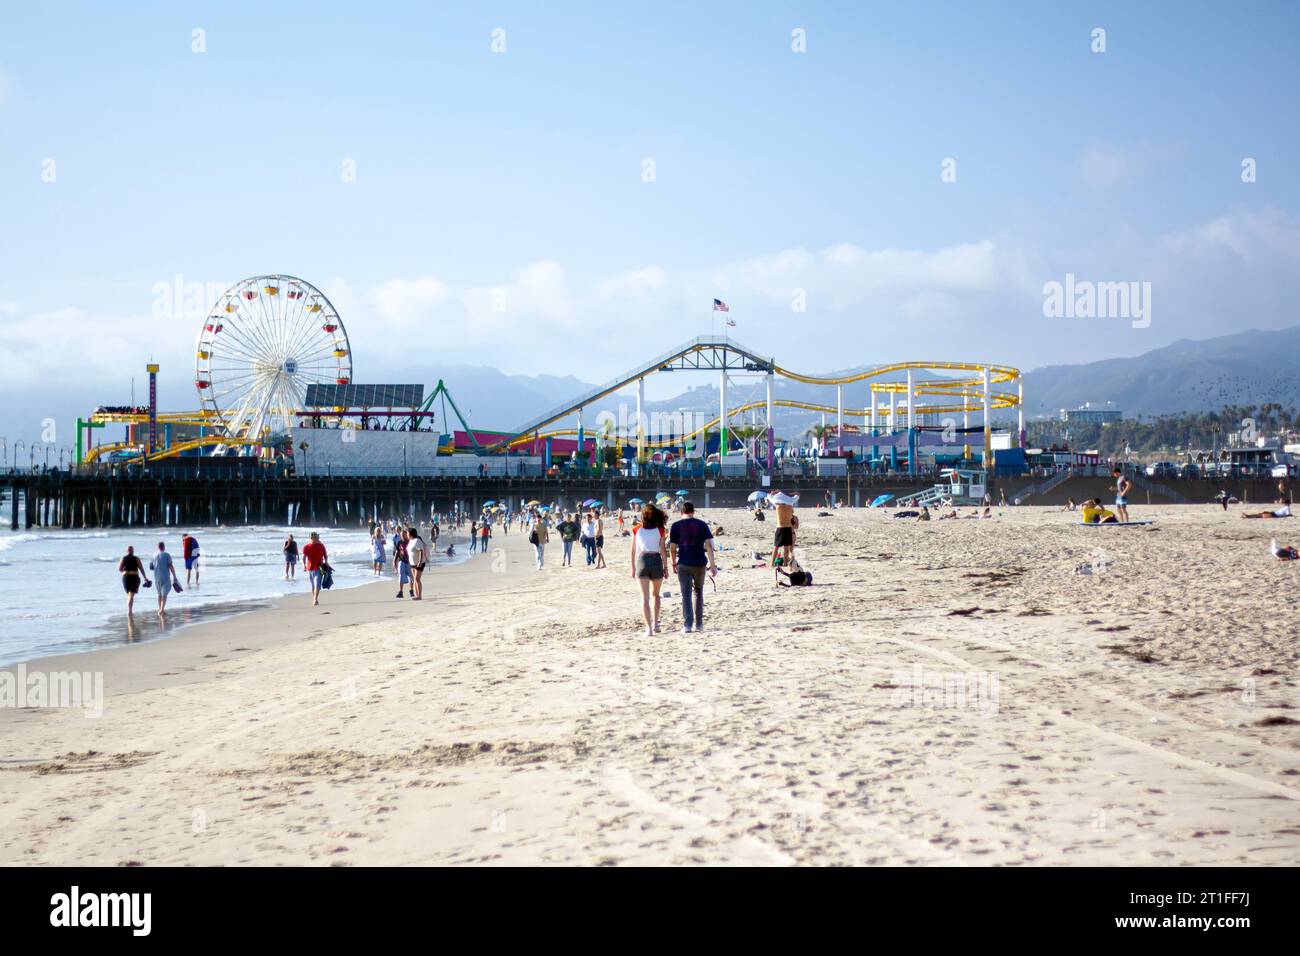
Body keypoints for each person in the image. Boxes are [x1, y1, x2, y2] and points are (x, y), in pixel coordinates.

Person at [669, 501, 716, 635]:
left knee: (686, 594)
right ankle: (699, 625)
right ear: (693, 512)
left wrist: (673, 563)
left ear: (681, 512)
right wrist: (713, 565)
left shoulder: (676, 526)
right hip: (700, 563)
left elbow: (672, 548)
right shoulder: (702, 524)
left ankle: (688, 625)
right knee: (698, 593)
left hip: (684, 563)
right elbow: (709, 545)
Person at [632, 503, 669, 636]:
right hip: (656, 560)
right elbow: (663, 550)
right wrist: (666, 567)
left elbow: (633, 551)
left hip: (642, 560)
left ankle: (648, 629)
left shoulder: (636, 529)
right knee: (656, 595)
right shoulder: (660, 530)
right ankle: (655, 624)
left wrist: (632, 567)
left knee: (644, 597)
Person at [150, 541, 180, 615]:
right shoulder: (167, 555)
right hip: (165, 577)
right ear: (163, 547)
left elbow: (151, 567)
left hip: (157, 577)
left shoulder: (153, 555)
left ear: (158, 547)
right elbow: (170, 566)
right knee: (164, 594)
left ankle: (160, 608)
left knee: (159, 593)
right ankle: (162, 610)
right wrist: (174, 576)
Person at [118, 545, 149, 614]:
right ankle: (129, 611)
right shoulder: (136, 558)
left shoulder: (123, 558)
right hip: (134, 576)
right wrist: (145, 577)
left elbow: (120, 569)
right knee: (131, 594)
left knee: (129, 594)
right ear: (133, 551)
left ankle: (129, 610)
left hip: (126, 577)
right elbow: (141, 568)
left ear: (127, 551)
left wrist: (125, 571)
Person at [302, 531, 327, 606]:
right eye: (314, 538)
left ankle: (315, 599)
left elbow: (325, 554)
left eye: (317, 537)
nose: (316, 539)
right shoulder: (306, 547)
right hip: (310, 568)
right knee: (313, 585)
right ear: (311, 538)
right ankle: (315, 598)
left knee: (317, 584)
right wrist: (304, 565)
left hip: (319, 568)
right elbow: (303, 558)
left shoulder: (321, 546)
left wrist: (326, 562)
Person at [773, 495, 797, 568]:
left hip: (790, 532)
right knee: (787, 549)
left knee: (789, 549)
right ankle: (787, 562)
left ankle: (788, 562)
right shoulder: (787, 515)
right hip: (789, 531)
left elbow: (796, 526)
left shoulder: (794, 517)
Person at [407, 527, 427, 599]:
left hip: (419, 562)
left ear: (410, 534)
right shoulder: (411, 541)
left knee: (417, 579)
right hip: (412, 563)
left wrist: (420, 561)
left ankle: (419, 596)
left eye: (407, 533)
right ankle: (417, 595)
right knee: (414, 579)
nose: (407, 534)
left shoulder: (417, 541)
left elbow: (421, 551)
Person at [393, 529, 411, 598]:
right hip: (401, 561)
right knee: (400, 576)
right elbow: (397, 553)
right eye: (402, 535)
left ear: (407, 535)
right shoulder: (399, 542)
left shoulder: (410, 542)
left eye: (404, 535)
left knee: (411, 577)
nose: (403, 536)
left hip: (409, 562)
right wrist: (394, 561)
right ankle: (400, 591)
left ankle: (411, 590)